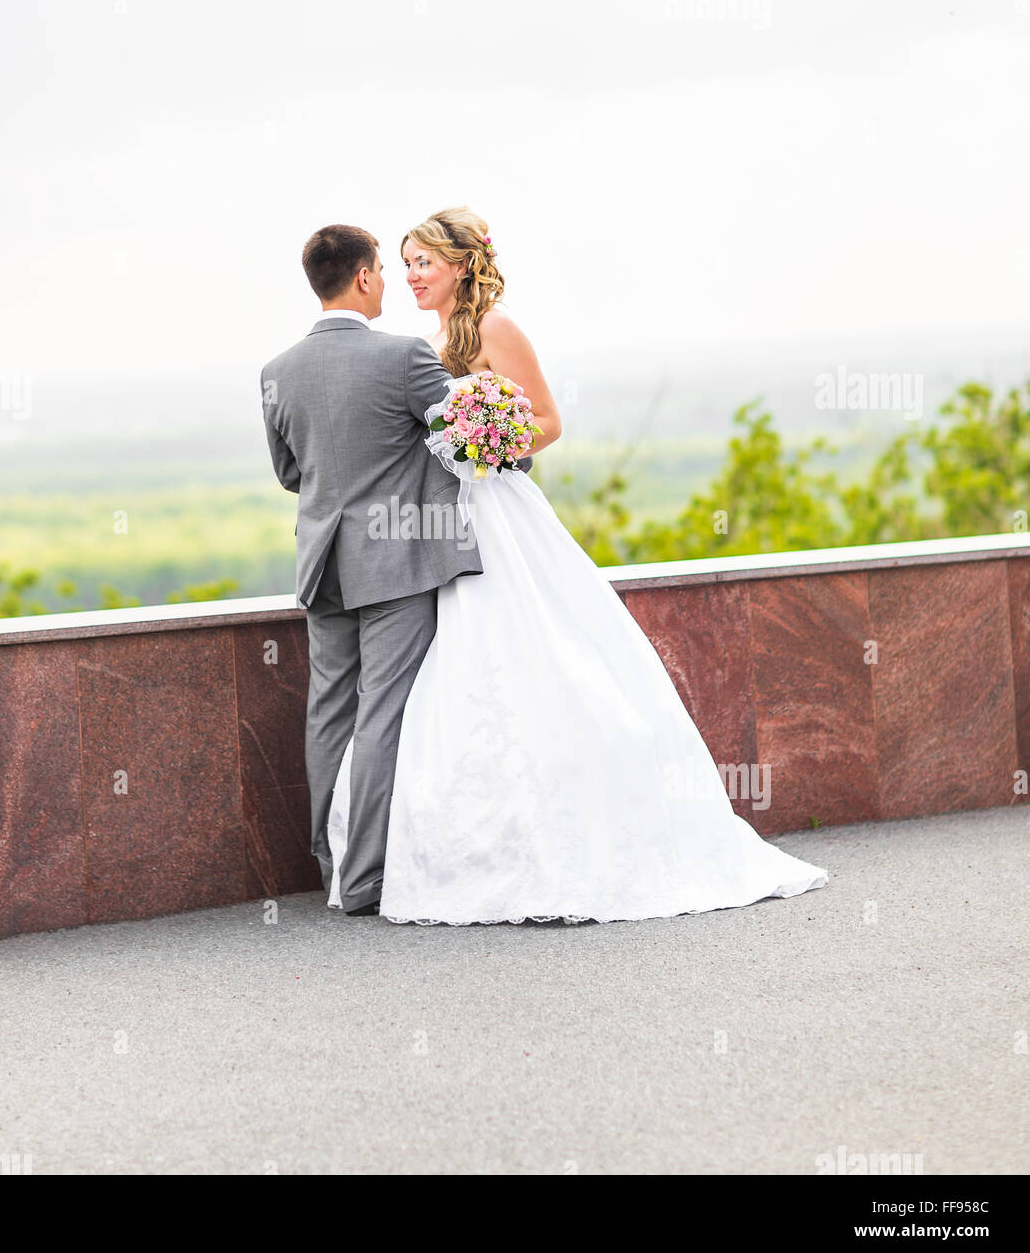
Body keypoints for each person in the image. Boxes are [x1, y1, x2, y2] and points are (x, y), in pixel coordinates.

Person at [323, 206, 829, 924]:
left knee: (531, 646)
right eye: (404, 264)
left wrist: (483, 441)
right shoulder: (423, 343)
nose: (411, 276)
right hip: (443, 521)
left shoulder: (495, 328)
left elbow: (548, 421)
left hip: (497, 513)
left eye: (423, 262)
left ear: (462, 263)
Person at [261, 223, 497, 915]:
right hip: (395, 563)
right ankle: (364, 882)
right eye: (384, 273)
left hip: (321, 565)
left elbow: (288, 473)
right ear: (363, 278)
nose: (391, 283)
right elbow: (466, 443)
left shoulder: (275, 371)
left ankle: (331, 868)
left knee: (328, 714)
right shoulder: (402, 360)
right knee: (383, 716)